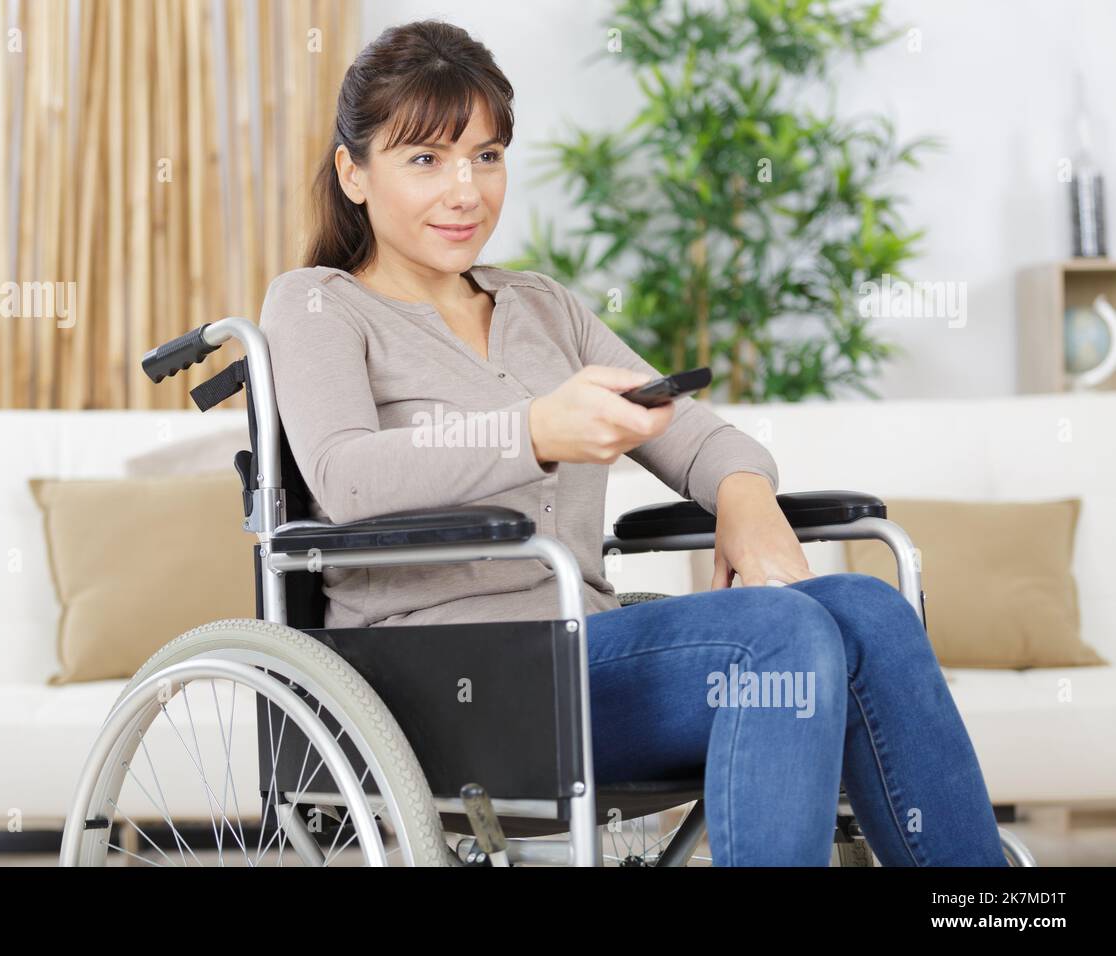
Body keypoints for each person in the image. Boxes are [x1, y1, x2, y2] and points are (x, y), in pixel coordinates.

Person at [258, 18, 1007, 866]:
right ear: (353, 173)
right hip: (438, 681)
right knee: (778, 635)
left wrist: (744, 497)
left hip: (584, 656)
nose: (466, 191)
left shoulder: (544, 308)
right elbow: (346, 477)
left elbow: (694, 432)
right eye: (426, 159)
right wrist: (535, 430)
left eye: (487, 155)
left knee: (868, 610)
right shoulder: (318, 305)